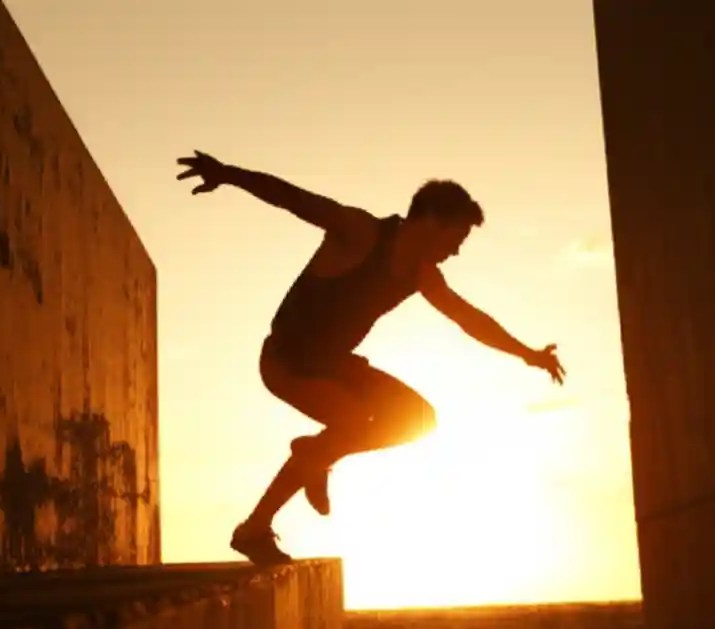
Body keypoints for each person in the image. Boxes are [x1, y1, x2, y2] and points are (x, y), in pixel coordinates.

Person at [176, 151, 567, 565]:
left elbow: (468, 319)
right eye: (456, 240)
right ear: (433, 222)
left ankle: (316, 454)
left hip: (334, 365)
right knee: (348, 422)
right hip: (286, 363)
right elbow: (293, 199)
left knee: (419, 419)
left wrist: (527, 354)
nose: (455, 252)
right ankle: (255, 528)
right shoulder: (359, 231)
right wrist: (228, 174)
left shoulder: (423, 275)